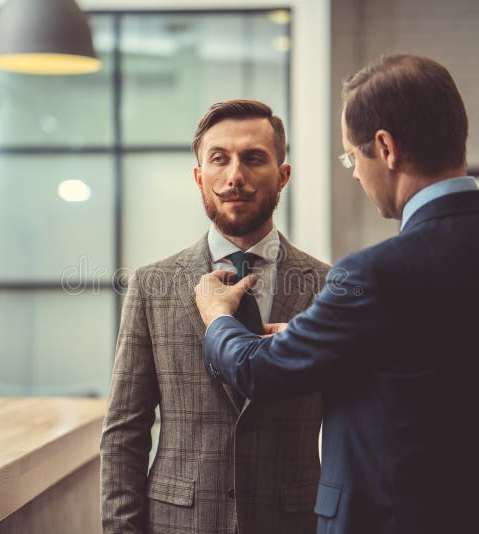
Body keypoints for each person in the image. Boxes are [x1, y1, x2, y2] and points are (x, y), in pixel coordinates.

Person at [195, 55, 479, 534]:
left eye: (353, 157)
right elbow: (441, 365)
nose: (354, 173)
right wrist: (327, 337)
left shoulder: (373, 275)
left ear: (386, 148)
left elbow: (257, 371)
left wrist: (217, 318)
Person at [100, 99, 330, 534]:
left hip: (295, 521)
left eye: (253, 158)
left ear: (283, 175)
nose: (234, 176)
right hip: (179, 522)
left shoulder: (327, 285)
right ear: (198, 176)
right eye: (219, 159)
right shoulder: (153, 285)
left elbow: (349, 424)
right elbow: (124, 433)